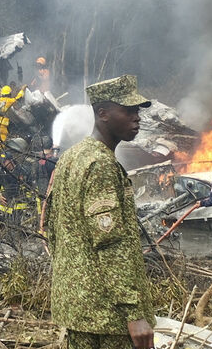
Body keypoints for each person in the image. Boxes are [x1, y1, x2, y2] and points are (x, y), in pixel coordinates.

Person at [44, 75, 154, 349]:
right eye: (127, 110)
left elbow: (52, 227)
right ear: (102, 114)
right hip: (108, 319)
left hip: (78, 309)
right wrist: (134, 314)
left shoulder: (72, 156)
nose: (136, 117)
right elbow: (111, 244)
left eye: (137, 110)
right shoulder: (101, 165)